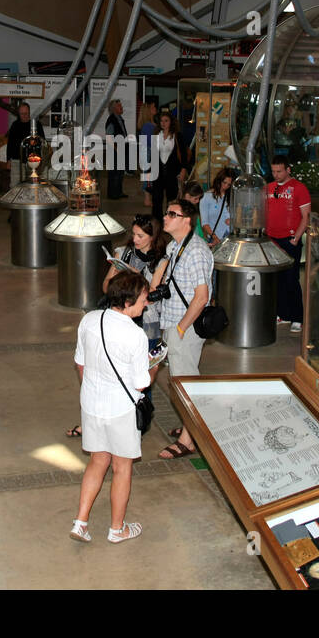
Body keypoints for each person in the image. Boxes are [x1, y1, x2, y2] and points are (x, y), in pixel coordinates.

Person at [70, 272, 157, 544]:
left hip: (91, 405)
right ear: (129, 301)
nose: (146, 303)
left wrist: (94, 391)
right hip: (121, 410)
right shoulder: (136, 335)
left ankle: (80, 522)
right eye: (144, 299)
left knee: (97, 461)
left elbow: (80, 364)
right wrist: (155, 366)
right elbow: (142, 384)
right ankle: (117, 529)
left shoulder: (89, 320)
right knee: (122, 467)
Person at [67, 214, 169, 440]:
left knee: (141, 373)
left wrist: (132, 274)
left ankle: (138, 422)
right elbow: (106, 286)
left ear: (153, 237)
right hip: (116, 318)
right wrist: (118, 269)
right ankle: (98, 418)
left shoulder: (161, 260)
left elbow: (150, 294)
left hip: (146, 321)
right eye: (133, 234)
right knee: (107, 367)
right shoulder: (122, 252)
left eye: (141, 236)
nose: (135, 239)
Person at [153, 199, 213, 459]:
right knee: (179, 380)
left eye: (172, 214)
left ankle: (190, 440)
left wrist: (180, 328)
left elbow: (202, 296)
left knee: (186, 384)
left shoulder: (196, 251)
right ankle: (191, 427)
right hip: (172, 322)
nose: (165, 217)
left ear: (187, 221)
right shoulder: (174, 246)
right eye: (166, 212)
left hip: (184, 328)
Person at [264, 156, 311, 334]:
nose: (276, 175)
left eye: (279, 171)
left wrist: (296, 238)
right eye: (274, 171)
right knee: (276, 280)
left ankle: (297, 317)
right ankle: (282, 314)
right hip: (272, 239)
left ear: (288, 170)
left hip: (289, 239)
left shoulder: (299, 188)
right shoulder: (269, 188)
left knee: (291, 279)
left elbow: (306, 215)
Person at [149, 110, 188, 221]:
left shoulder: (177, 135)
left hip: (173, 172)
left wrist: (183, 169)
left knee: (171, 198)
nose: (163, 123)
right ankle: (156, 221)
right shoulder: (156, 135)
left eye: (166, 121)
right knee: (156, 198)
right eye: (161, 121)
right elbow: (153, 153)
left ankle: (170, 219)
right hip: (158, 171)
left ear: (171, 122)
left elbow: (183, 154)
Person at [5, 101, 44, 186]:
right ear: (19, 114)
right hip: (16, 160)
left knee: (31, 185)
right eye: (22, 114)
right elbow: (10, 143)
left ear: (29, 112)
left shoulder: (36, 125)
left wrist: (40, 159)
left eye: (26, 113)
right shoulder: (15, 125)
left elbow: (42, 142)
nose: (24, 116)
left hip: (32, 161)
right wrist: (8, 160)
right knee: (14, 185)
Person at [200, 167, 235, 247]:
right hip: (216, 237)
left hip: (231, 235)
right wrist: (215, 237)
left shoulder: (231, 196)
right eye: (224, 182)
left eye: (229, 184)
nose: (225, 186)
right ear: (219, 180)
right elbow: (204, 223)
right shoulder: (206, 197)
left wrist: (233, 220)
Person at [105, 98, 128, 199]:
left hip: (119, 150)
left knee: (120, 173)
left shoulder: (119, 119)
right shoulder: (112, 120)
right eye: (119, 106)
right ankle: (112, 194)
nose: (121, 107)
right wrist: (117, 149)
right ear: (114, 108)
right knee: (114, 173)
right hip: (114, 151)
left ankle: (118, 192)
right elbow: (109, 137)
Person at [138, 102, 158, 207]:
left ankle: (148, 198)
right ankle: (147, 199)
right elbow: (150, 141)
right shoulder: (148, 126)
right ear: (148, 111)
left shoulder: (150, 124)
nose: (155, 108)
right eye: (153, 107)